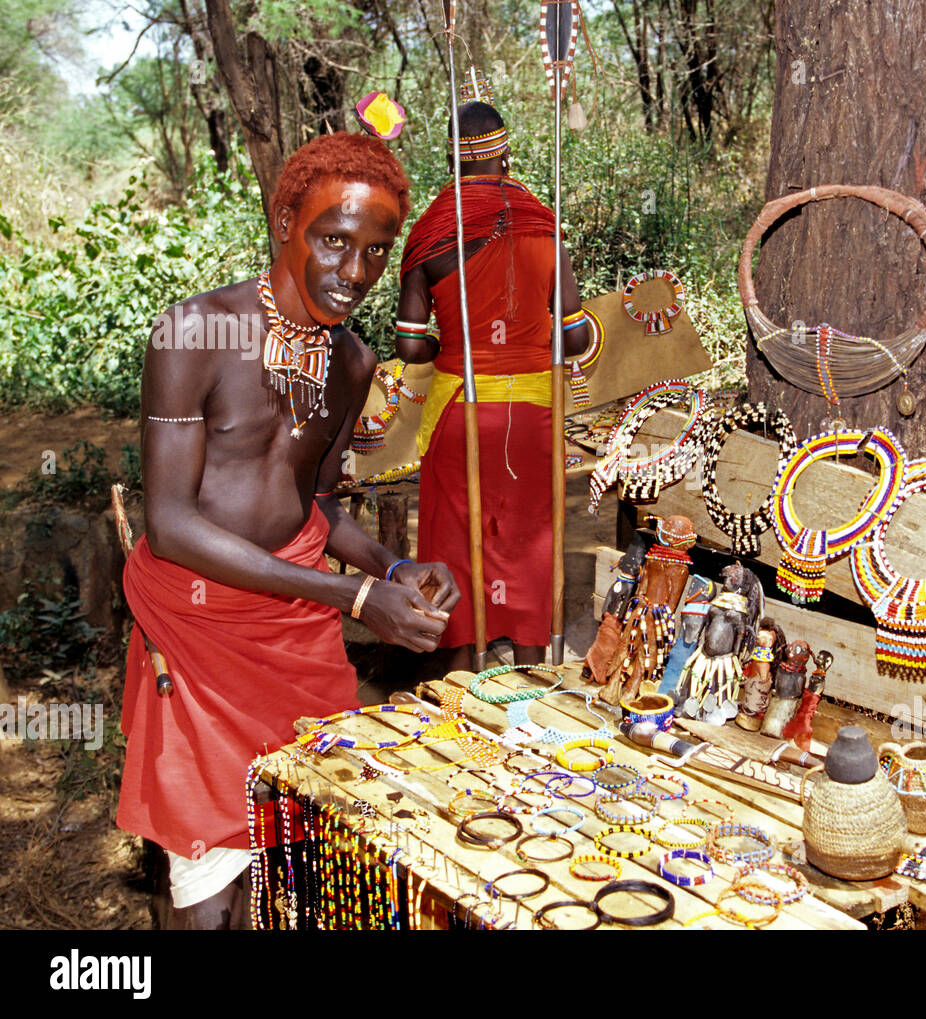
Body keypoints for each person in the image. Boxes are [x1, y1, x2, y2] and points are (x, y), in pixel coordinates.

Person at [117, 131, 459, 929]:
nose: (355, 273)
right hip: (197, 627)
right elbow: (169, 523)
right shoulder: (193, 333)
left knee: (287, 864)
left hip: (292, 637)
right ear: (284, 223)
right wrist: (352, 594)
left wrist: (390, 562)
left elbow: (316, 504)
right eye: (334, 241)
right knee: (205, 880)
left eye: (376, 252)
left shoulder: (352, 363)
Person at [396, 101, 587, 671]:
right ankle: (534, 667)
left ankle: (454, 680)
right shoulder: (542, 226)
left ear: (453, 161)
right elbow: (573, 339)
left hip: (457, 407)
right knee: (529, 537)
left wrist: (450, 349)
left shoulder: (432, 232)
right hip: (529, 414)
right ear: (504, 152)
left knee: (454, 540)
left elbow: (410, 344)